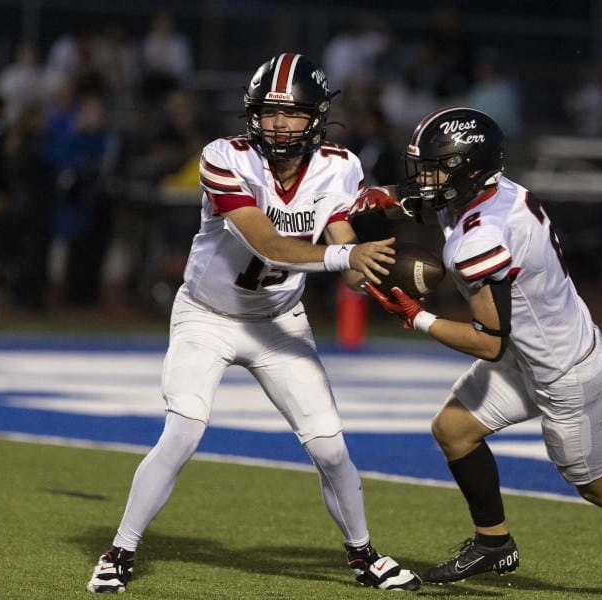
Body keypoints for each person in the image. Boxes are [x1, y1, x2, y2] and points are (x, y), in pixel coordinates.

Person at [350, 106, 602, 600]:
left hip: (565, 372)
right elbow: (423, 202)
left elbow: (488, 341)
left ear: (468, 171)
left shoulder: (479, 238)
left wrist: (413, 315)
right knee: (454, 430)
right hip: (530, 355)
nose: (424, 180)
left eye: (435, 168)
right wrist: (385, 199)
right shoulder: (495, 192)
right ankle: (494, 543)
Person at [85, 52, 420, 594]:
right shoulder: (224, 157)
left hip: (279, 321)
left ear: (316, 117)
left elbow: (342, 248)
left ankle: (364, 556)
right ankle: (119, 551)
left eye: (291, 114)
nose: (279, 124)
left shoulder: (340, 166)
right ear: (251, 114)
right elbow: (267, 243)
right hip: (207, 316)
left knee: (332, 448)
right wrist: (344, 261)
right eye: (268, 112)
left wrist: (379, 278)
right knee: (183, 431)